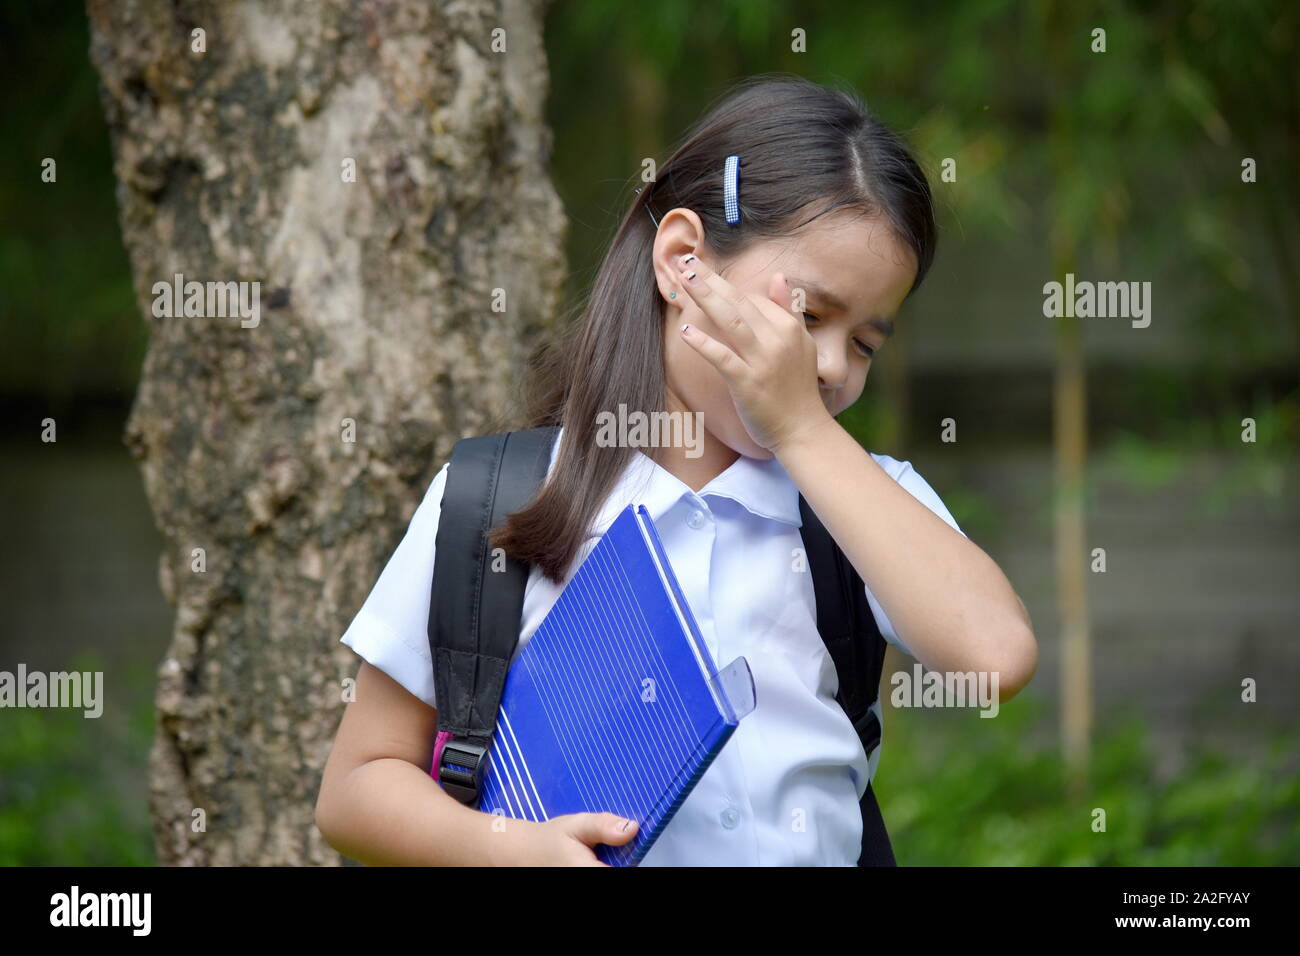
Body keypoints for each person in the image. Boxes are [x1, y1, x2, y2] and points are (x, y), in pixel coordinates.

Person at [314, 74, 1037, 866]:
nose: (830, 365)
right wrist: (510, 849)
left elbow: (995, 659)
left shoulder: (862, 500)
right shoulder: (502, 496)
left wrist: (798, 427)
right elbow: (356, 789)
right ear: (684, 262)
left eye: (864, 343)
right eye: (809, 317)